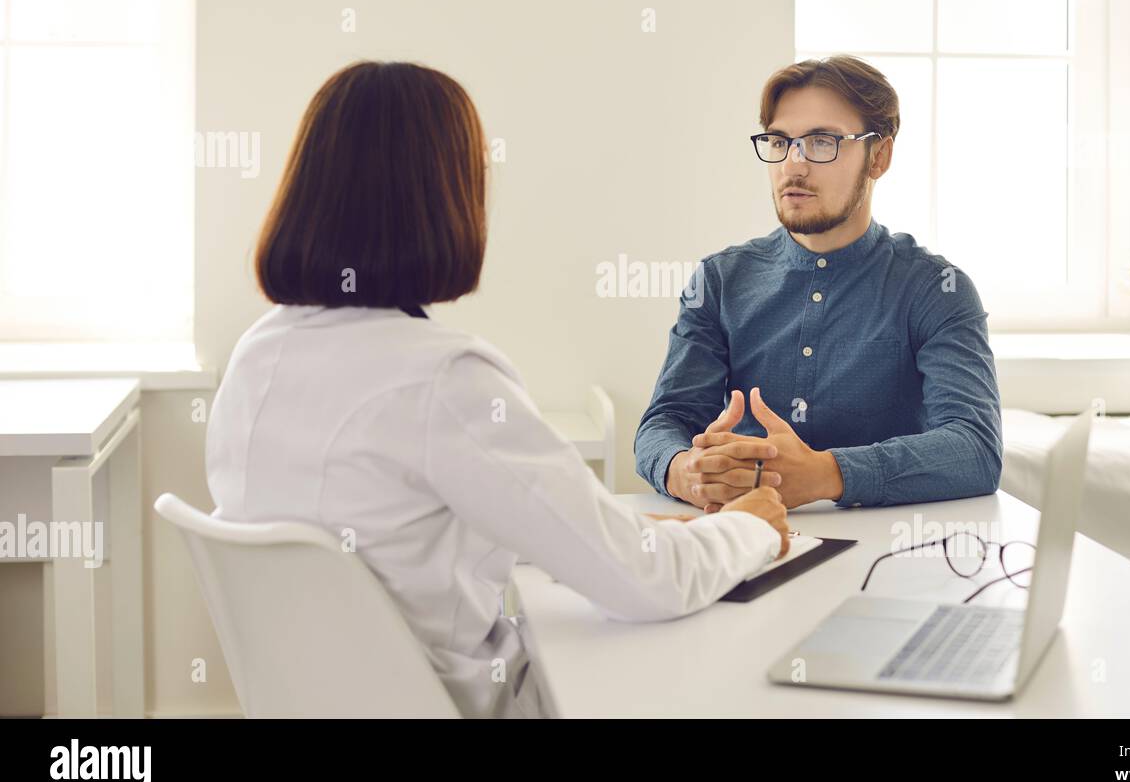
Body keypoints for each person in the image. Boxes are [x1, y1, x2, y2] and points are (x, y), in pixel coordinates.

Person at [205, 61, 789, 719]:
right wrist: (751, 527)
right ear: (443, 193)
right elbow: (646, 582)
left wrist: (612, 529)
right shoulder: (441, 378)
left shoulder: (257, 354)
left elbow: (401, 529)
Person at [635, 55, 1002, 512]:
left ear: (880, 156)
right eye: (780, 141)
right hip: (742, 539)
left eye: (822, 142)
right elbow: (665, 422)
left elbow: (975, 449)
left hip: (889, 557)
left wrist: (827, 474)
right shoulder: (720, 280)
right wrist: (684, 471)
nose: (794, 165)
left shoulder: (937, 289)